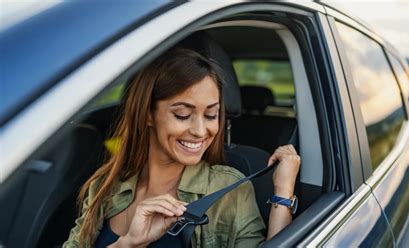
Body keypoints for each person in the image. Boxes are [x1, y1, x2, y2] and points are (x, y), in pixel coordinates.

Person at [63, 48, 300, 247]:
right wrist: (127, 244)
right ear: (148, 114)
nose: (200, 131)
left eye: (211, 115)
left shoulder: (228, 189)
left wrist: (283, 193)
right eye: (183, 114)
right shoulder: (104, 186)